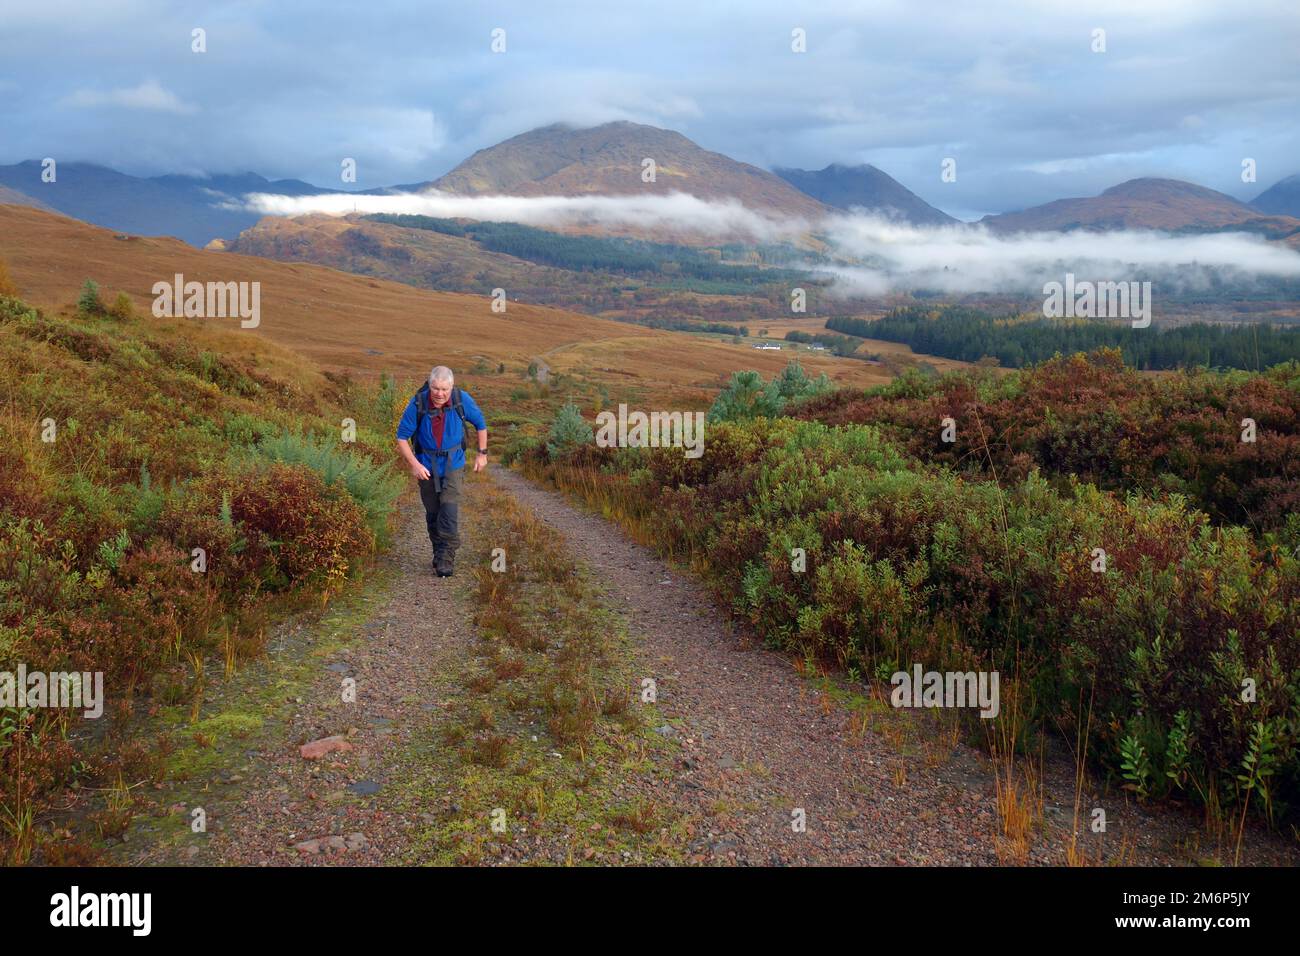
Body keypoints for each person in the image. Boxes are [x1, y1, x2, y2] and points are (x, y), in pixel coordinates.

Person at [394, 366, 488, 576]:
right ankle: (438, 550)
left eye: (444, 389)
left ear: (451, 386)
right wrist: (415, 465)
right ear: (429, 385)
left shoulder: (460, 399)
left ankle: (447, 555)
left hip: (453, 463)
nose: (440, 393)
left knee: (448, 507)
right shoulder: (418, 403)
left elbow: (481, 423)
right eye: (435, 388)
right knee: (433, 510)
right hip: (425, 465)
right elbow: (402, 437)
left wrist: (482, 454)